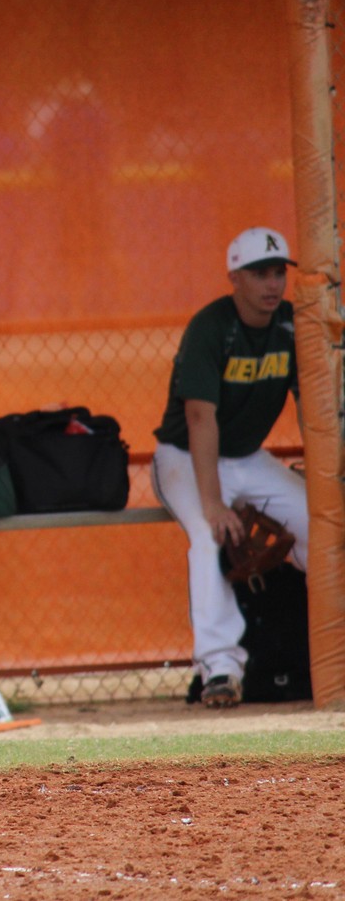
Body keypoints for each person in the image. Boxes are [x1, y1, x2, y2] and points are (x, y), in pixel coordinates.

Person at [151, 226, 307, 709]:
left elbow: (312, 408)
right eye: (259, 273)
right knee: (208, 535)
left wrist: (322, 476)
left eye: (279, 271)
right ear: (234, 278)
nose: (272, 283)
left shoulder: (291, 325)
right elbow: (200, 418)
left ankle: (331, 651)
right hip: (184, 455)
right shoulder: (211, 327)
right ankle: (220, 667)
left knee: (323, 526)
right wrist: (216, 501)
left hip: (247, 459)